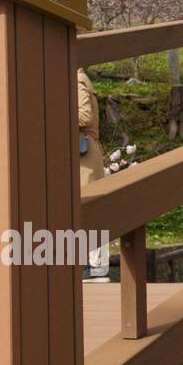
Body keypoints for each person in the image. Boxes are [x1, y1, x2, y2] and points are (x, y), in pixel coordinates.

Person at [78, 69, 109, 280]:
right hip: (84, 151)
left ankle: (97, 264)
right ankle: (90, 263)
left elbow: (85, 115)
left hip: (84, 151)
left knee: (90, 204)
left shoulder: (76, 79)